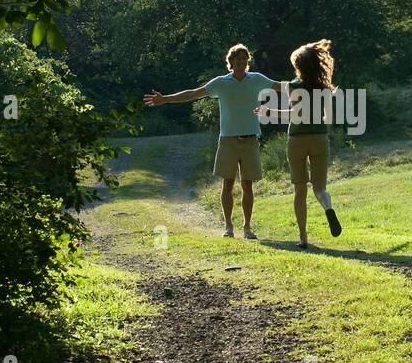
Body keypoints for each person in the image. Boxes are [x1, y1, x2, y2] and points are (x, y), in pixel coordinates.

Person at [144, 43, 281, 239]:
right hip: (228, 140)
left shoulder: (257, 79)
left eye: (244, 59)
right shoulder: (220, 82)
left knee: (248, 185)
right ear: (230, 62)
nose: (241, 62)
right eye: (237, 59)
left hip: (250, 139)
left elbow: (282, 86)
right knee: (227, 183)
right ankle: (228, 226)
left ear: (247, 62)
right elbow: (193, 93)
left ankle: (248, 227)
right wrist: (165, 99)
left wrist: (309, 82)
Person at [285, 38, 342, 249]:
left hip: (297, 139)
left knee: (300, 190)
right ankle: (328, 208)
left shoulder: (293, 86)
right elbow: (330, 119)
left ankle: (303, 238)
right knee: (320, 188)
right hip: (319, 138)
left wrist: (269, 112)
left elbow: (294, 114)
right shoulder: (325, 88)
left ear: (298, 66)